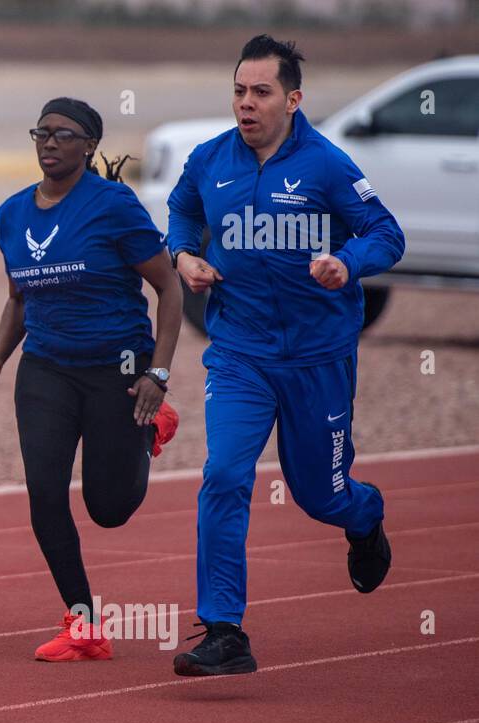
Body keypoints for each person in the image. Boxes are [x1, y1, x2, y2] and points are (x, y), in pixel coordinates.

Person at [166, 36, 405, 676]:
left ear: (293, 99)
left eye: (261, 92)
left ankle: (365, 515)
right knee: (223, 476)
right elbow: (182, 212)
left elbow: (387, 233)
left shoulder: (326, 164)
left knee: (320, 496)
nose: (247, 103)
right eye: (240, 91)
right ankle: (224, 630)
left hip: (318, 357)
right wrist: (184, 255)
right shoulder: (209, 160)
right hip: (240, 353)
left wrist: (345, 263)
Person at [0, 97, 182, 662]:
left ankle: (151, 426)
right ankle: (84, 624)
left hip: (120, 369)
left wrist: (157, 371)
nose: (49, 143)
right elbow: (18, 297)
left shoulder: (114, 206)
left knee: (109, 509)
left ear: (89, 146)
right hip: (46, 369)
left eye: (63, 135)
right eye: (41, 133)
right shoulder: (12, 213)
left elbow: (169, 288)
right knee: (44, 493)